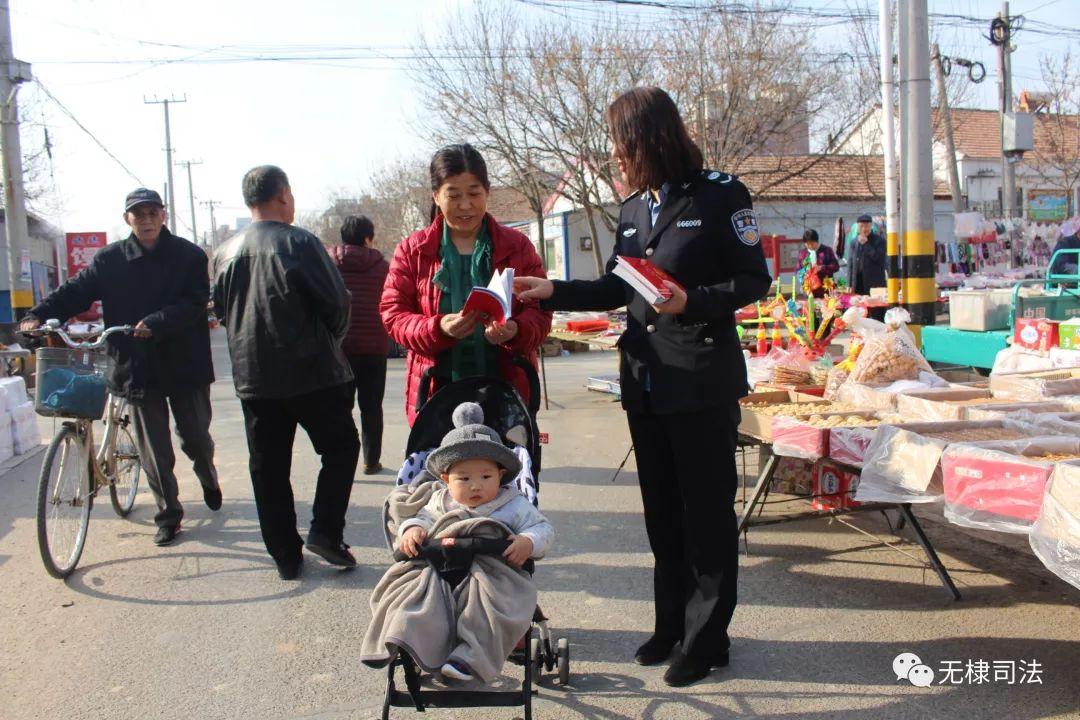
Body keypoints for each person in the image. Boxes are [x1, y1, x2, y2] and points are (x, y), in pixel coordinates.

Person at [515, 87, 771, 687]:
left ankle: (708, 639)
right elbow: (616, 288)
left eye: (620, 148)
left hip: (701, 381)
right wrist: (551, 289)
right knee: (662, 514)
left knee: (706, 515)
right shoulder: (635, 209)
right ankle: (673, 624)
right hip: (647, 383)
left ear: (649, 141)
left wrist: (694, 301)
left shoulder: (720, 194)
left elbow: (752, 279)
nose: (614, 160)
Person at [21, 188, 219, 547]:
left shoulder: (188, 256)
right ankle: (169, 514)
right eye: (137, 214)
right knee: (153, 450)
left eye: (151, 213)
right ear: (126, 219)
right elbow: (74, 293)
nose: (145, 220)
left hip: (184, 363)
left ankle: (206, 470)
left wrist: (158, 321)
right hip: (136, 365)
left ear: (163, 216)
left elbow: (195, 303)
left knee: (195, 437)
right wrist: (36, 317)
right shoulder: (110, 260)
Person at [213, 166, 360, 580]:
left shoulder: (223, 253)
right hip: (313, 372)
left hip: (253, 377)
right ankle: (326, 532)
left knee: (268, 466)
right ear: (284, 195)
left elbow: (223, 312)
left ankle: (285, 556)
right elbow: (337, 303)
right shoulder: (301, 242)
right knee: (341, 449)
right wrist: (330, 341)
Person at [361, 402, 553, 684]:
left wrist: (528, 541)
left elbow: (542, 528)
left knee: (487, 605)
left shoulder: (512, 504)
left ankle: (469, 658)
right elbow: (422, 519)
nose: (476, 485)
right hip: (440, 565)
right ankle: (405, 636)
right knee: (413, 596)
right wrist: (412, 529)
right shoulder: (438, 501)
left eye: (486, 476)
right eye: (463, 478)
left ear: (500, 475)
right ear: (445, 479)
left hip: (491, 570)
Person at [380, 144, 551, 426]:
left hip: (505, 391)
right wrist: (437, 328)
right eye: (453, 195)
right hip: (437, 392)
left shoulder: (517, 246)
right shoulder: (413, 250)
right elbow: (393, 314)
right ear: (436, 196)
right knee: (443, 470)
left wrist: (515, 331)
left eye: (474, 193)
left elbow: (541, 312)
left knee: (504, 469)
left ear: (487, 192)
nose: (465, 205)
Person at [328, 215, 390, 475]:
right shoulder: (383, 267)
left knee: (340, 408)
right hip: (374, 347)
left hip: (338, 349)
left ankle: (343, 462)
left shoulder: (327, 265)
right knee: (371, 407)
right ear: (368, 238)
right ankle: (371, 461)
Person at [846, 214, 886, 296]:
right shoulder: (854, 241)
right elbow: (850, 263)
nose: (864, 229)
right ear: (857, 227)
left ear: (871, 226)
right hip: (857, 282)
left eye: (867, 226)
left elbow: (879, 258)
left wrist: (866, 244)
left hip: (874, 282)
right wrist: (849, 284)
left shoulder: (880, 240)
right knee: (859, 308)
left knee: (873, 308)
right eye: (861, 226)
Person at [797, 229, 840, 298]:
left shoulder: (827, 251)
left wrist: (822, 268)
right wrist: (802, 282)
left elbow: (836, 266)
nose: (810, 246)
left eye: (812, 243)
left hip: (825, 290)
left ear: (817, 241)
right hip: (809, 291)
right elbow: (799, 270)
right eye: (807, 244)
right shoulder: (803, 254)